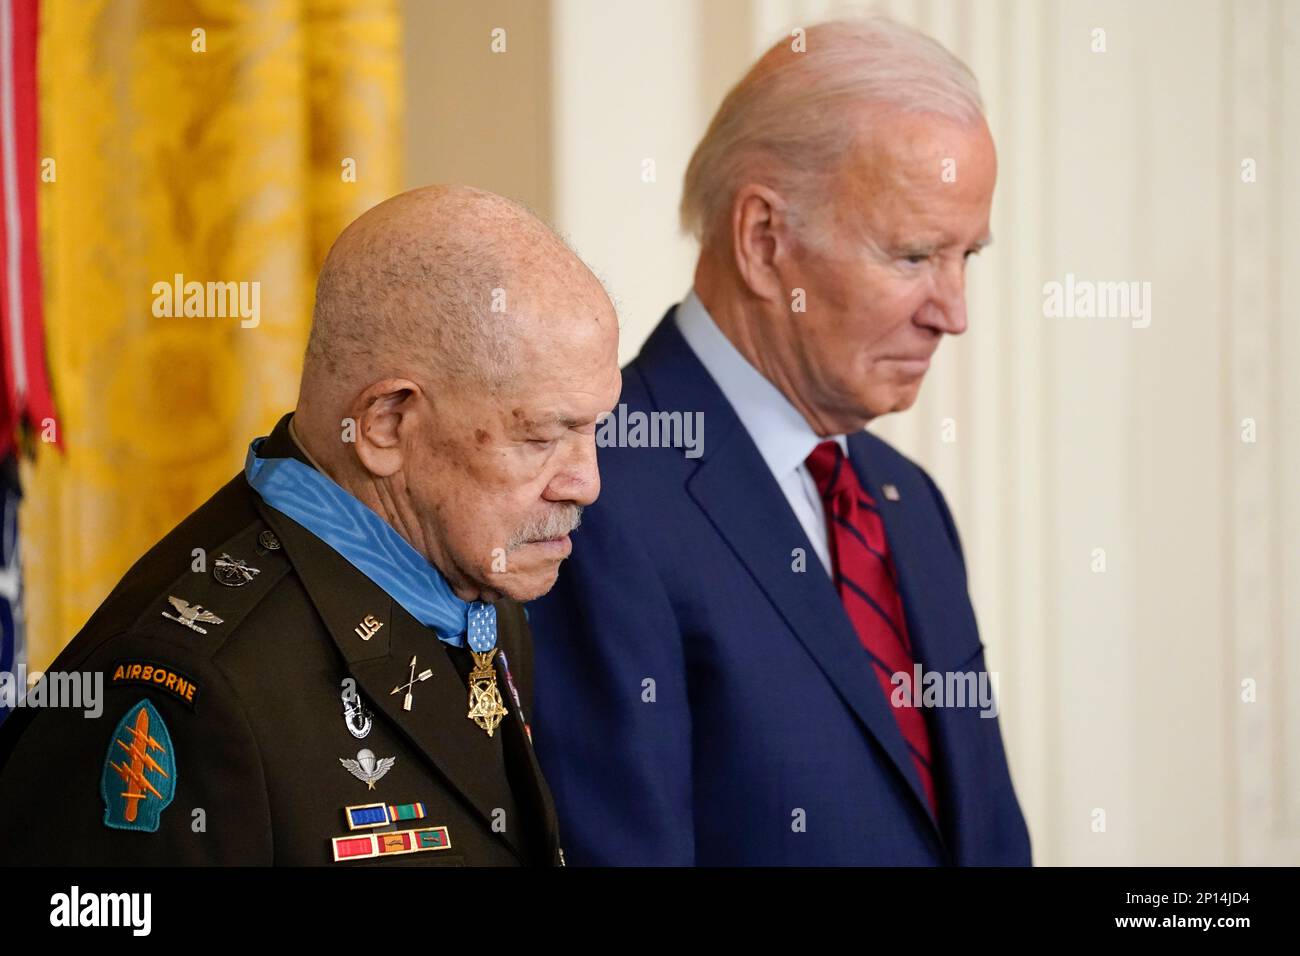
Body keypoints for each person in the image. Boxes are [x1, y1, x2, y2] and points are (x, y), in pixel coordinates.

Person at [529, 17, 1032, 865]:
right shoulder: (591, 496)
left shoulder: (905, 501)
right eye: (913, 257)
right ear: (764, 241)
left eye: (966, 256)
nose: (954, 312)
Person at [0, 185, 621, 865]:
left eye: (592, 429)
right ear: (386, 424)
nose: (586, 480)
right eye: (540, 437)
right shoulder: (187, 693)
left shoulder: (474, 584)